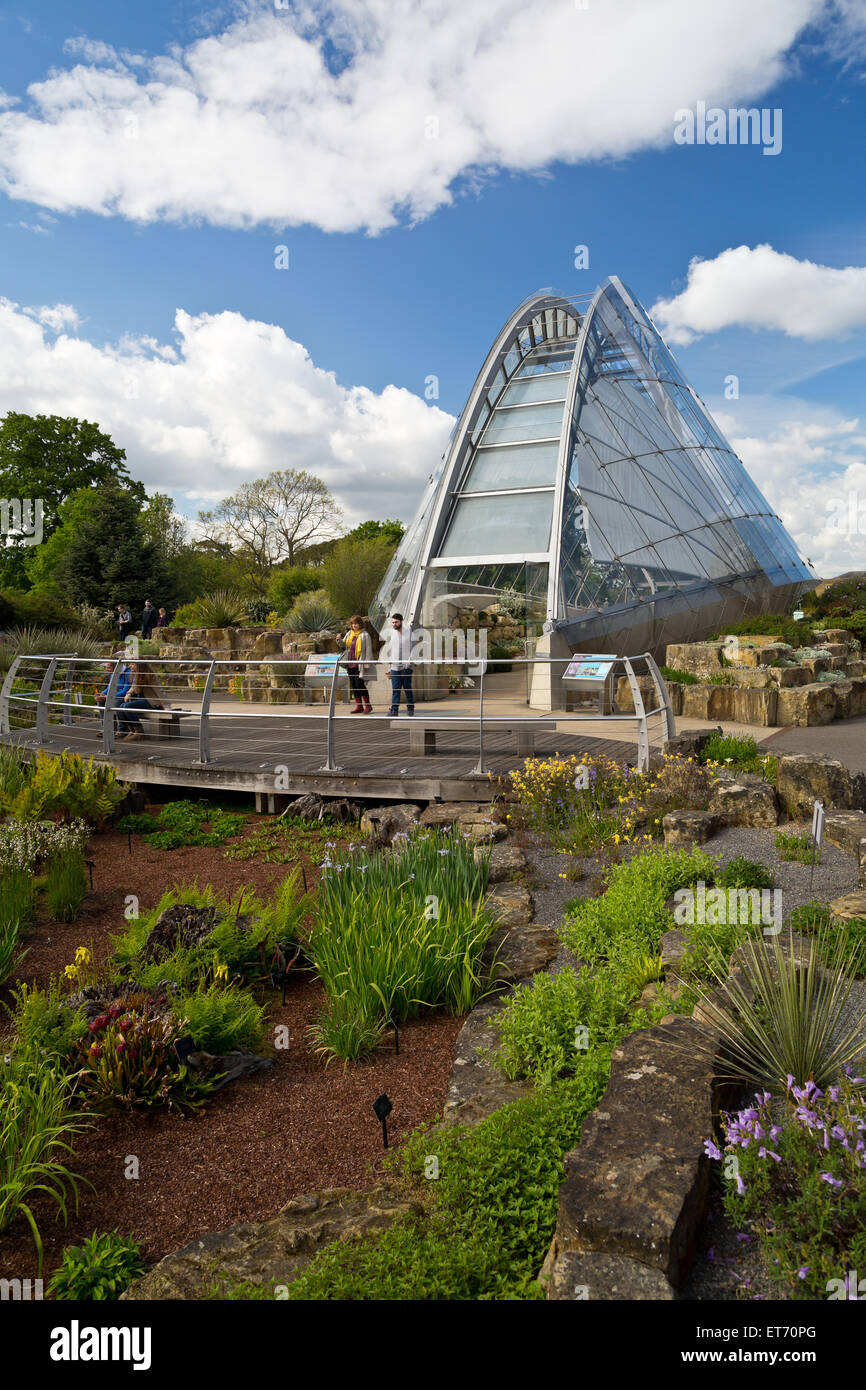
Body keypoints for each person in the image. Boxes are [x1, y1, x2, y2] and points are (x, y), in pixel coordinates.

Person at [117, 662, 166, 740]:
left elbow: (159, 690)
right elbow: (133, 687)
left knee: (127, 706)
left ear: (139, 665)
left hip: (152, 702)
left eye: (132, 664)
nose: (130, 666)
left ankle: (139, 733)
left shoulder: (149, 675)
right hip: (142, 700)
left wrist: (166, 706)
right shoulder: (136, 674)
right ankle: (133, 730)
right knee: (121, 707)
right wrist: (128, 693)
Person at [385, 612, 415, 717]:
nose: (394, 624)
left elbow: (414, 649)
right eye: (393, 622)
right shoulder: (392, 634)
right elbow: (390, 650)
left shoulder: (410, 633)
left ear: (401, 621)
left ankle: (410, 707)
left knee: (407, 688)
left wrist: (409, 661)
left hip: (407, 666)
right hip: (394, 666)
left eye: (396, 622)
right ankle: (394, 710)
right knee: (395, 689)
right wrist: (389, 666)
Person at [343, 615, 374, 713]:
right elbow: (344, 644)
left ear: (360, 624)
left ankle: (368, 706)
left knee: (360, 684)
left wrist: (367, 664)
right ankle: (359, 706)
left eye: (356, 623)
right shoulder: (349, 633)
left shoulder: (365, 635)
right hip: (350, 663)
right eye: (352, 623)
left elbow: (368, 650)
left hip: (359, 664)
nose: (354, 625)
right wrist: (339, 640)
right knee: (354, 685)